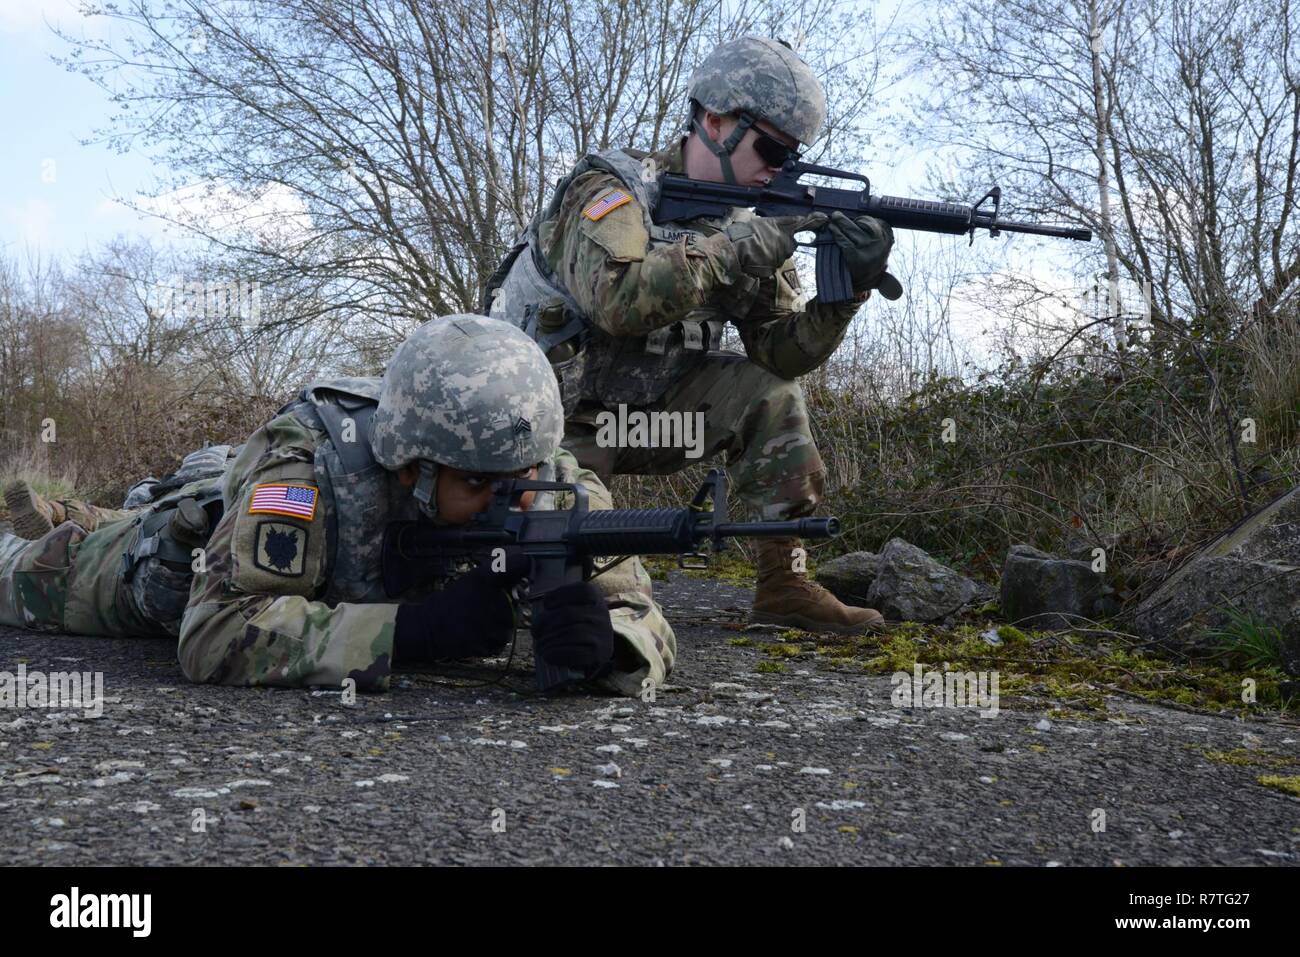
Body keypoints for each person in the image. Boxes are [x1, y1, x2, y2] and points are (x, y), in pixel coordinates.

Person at [0, 316, 675, 696]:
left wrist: (609, 644)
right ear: (410, 466)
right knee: (62, 563)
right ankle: (77, 523)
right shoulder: (309, 465)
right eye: (481, 486)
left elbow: (638, 612)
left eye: (524, 477)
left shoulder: (536, 467)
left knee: (204, 482)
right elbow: (214, 633)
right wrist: (414, 632)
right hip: (172, 565)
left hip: (251, 500)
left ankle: (105, 504)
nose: (515, 500)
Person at [487, 35, 899, 635]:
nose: (777, 170)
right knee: (572, 593)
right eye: (769, 150)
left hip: (651, 422)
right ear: (713, 120)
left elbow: (778, 351)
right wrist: (732, 250)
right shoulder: (611, 190)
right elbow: (619, 304)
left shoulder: (753, 223)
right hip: (549, 429)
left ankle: (785, 584)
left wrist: (845, 296)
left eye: (790, 158)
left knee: (773, 394)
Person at [4, 445, 239, 539]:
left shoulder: (215, 457)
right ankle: (66, 543)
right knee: (131, 527)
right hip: (206, 502)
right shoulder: (250, 461)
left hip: (176, 496)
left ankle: (53, 510)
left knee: (123, 519)